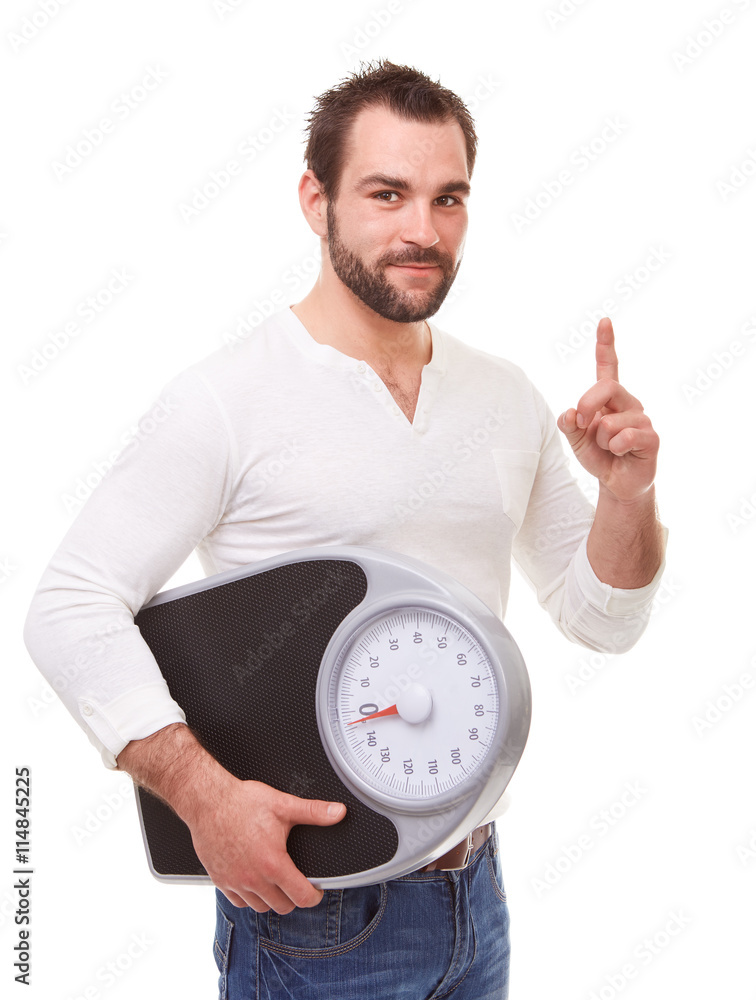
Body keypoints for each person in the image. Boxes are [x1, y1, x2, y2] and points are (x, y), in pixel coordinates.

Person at [23, 60, 667, 999]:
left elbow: (602, 619)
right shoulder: (227, 399)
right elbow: (68, 605)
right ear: (314, 200)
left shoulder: (506, 395)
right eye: (387, 193)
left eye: (449, 199)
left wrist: (626, 497)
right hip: (308, 913)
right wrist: (205, 801)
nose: (423, 230)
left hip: (475, 894)